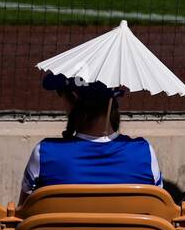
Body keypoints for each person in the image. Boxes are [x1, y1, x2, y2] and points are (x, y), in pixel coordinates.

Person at [19, 73, 162, 203]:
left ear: (73, 98)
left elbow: (22, 214)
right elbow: (159, 210)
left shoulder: (45, 153)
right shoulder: (144, 153)